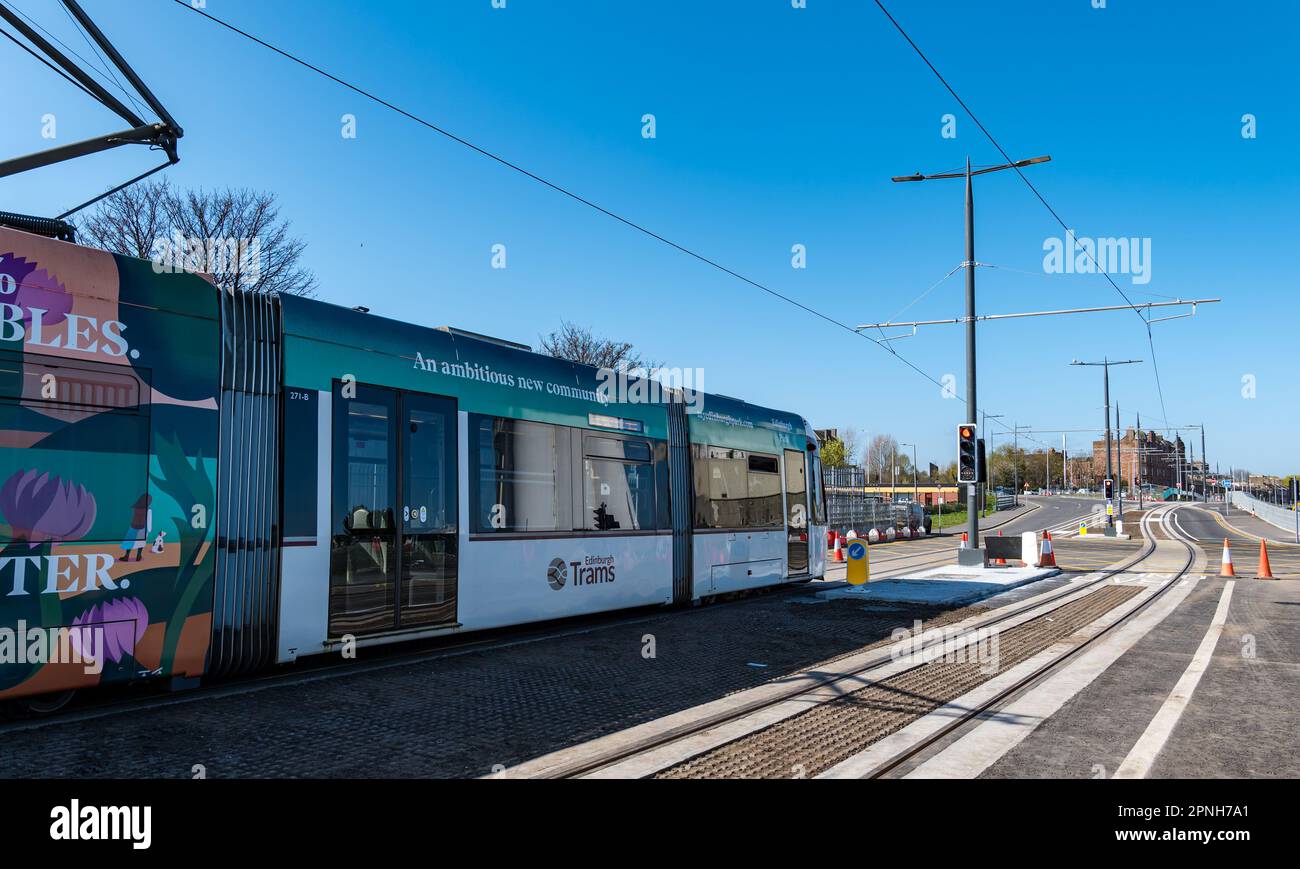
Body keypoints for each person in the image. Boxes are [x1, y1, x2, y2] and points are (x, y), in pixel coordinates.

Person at [119, 494, 151, 562]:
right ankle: (138, 556)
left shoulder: (136, 507)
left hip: (133, 526)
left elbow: (133, 517)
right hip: (142, 527)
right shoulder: (148, 509)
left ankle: (126, 556)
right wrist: (149, 530)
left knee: (129, 541)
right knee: (141, 542)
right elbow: (149, 520)